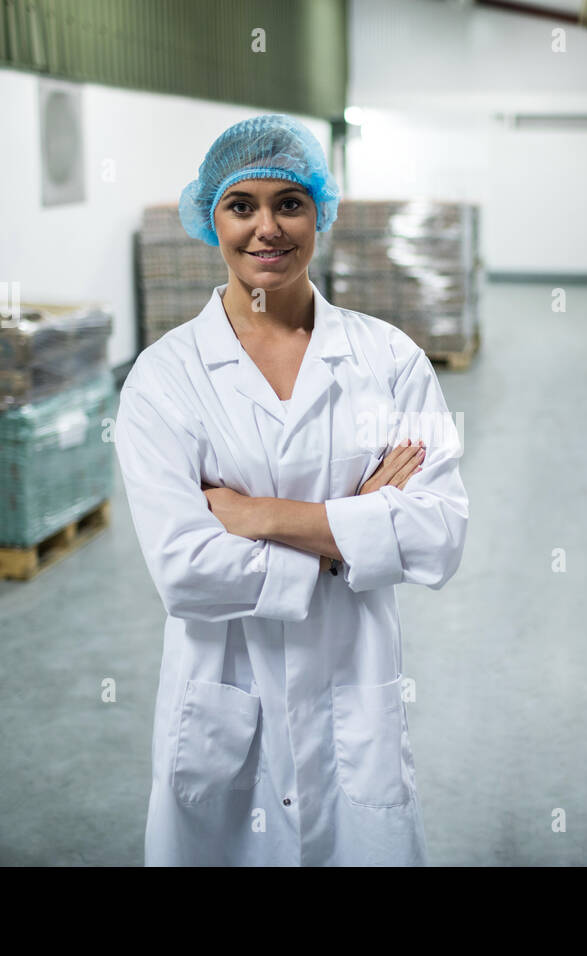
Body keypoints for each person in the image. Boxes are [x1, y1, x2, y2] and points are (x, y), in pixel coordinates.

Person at [114, 114, 469, 866]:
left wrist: (257, 515)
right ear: (211, 216)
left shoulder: (388, 361)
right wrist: (354, 534)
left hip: (354, 684)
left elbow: (437, 534)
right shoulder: (165, 378)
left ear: (321, 213)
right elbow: (184, 570)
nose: (266, 228)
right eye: (241, 205)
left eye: (290, 203)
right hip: (223, 689)